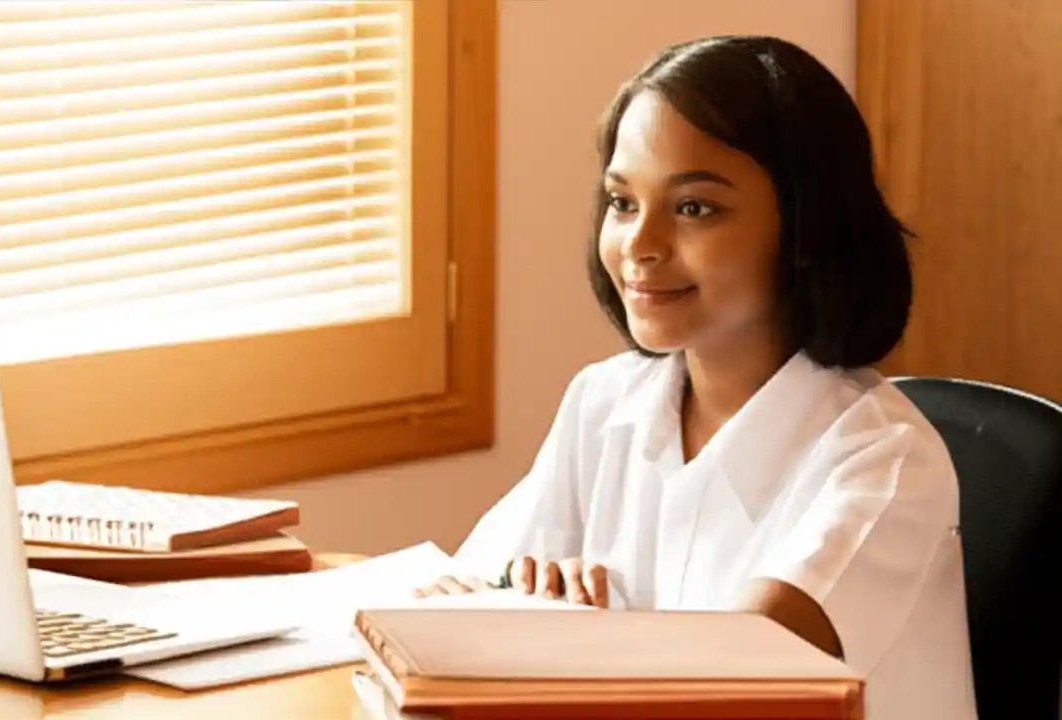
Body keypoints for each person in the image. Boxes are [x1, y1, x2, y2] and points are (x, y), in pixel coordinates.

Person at [415, 36, 978, 720]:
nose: (641, 246)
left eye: (693, 209)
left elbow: (726, 681)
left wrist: (563, 636)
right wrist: (521, 599)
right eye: (622, 203)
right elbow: (445, 608)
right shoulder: (602, 405)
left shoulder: (886, 464)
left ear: (803, 229)